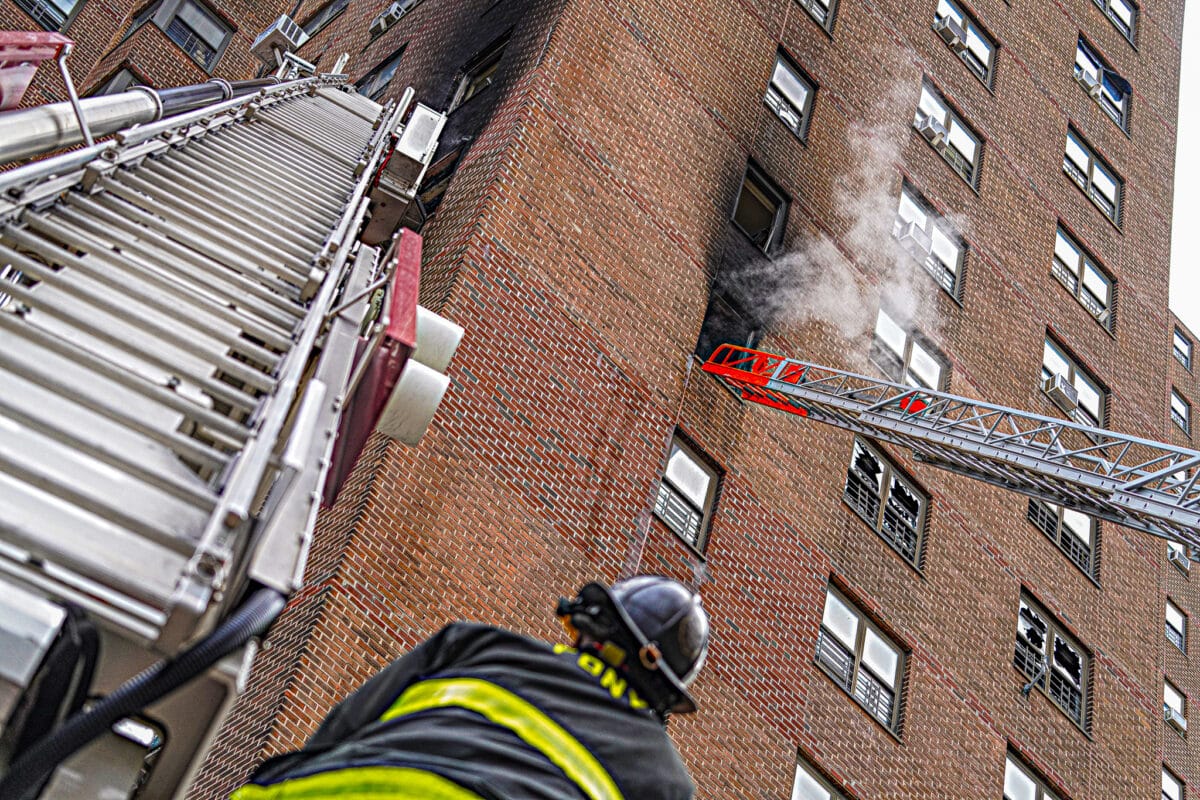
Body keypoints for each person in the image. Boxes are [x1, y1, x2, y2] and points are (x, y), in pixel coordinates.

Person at [232, 575, 710, 800]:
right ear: (666, 691)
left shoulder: (478, 645)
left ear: (590, 626)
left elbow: (343, 729)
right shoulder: (667, 783)